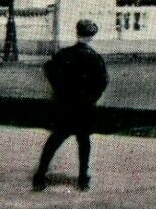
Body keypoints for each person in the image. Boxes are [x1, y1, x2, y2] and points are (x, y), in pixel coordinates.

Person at [32, 18, 108, 192]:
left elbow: (48, 68)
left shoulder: (64, 53)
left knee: (55, 139)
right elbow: (102, 81)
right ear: (91, 36)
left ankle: (40, 175)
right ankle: (82, 179)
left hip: (65, 104)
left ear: (77, 33)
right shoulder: (94, 57)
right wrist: (92, 97)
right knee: (84, 141)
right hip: (84, 106)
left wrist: (59, 89)